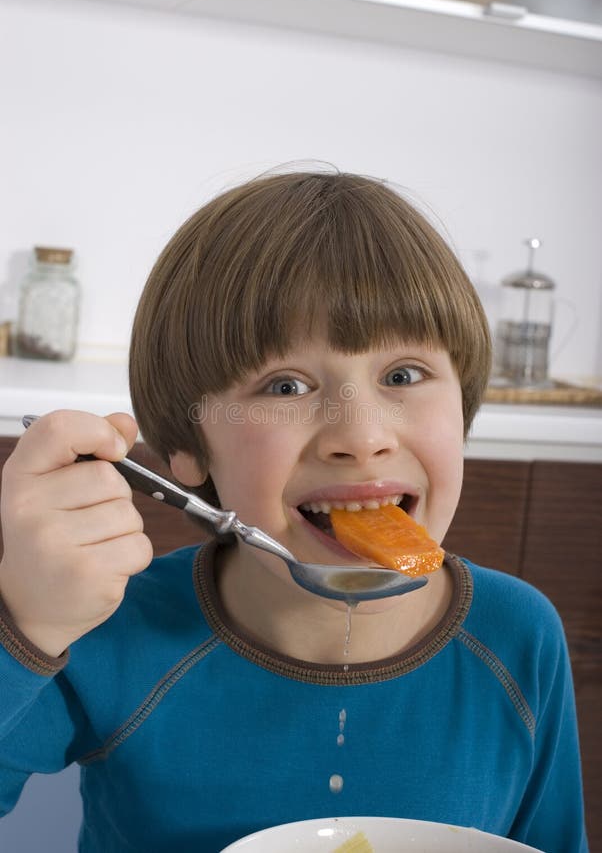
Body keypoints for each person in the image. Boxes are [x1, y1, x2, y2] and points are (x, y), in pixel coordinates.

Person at [0, 170, 587, 853]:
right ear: (188, 448)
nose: (362, 436)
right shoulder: (110, 626)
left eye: (403, 375)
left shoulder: (519, 636)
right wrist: (27, 626)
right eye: (286, 386)